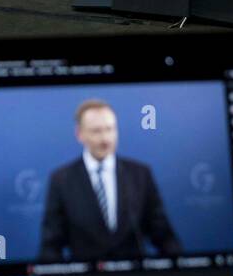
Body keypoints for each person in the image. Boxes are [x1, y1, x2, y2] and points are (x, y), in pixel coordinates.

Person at [38, 99, 182, 263]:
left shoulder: (140, 174)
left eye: (110, 129)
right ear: (79, 134)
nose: (105, 139)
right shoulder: (61, 180)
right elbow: (50, 247)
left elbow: (164, 236)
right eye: (96, 131)